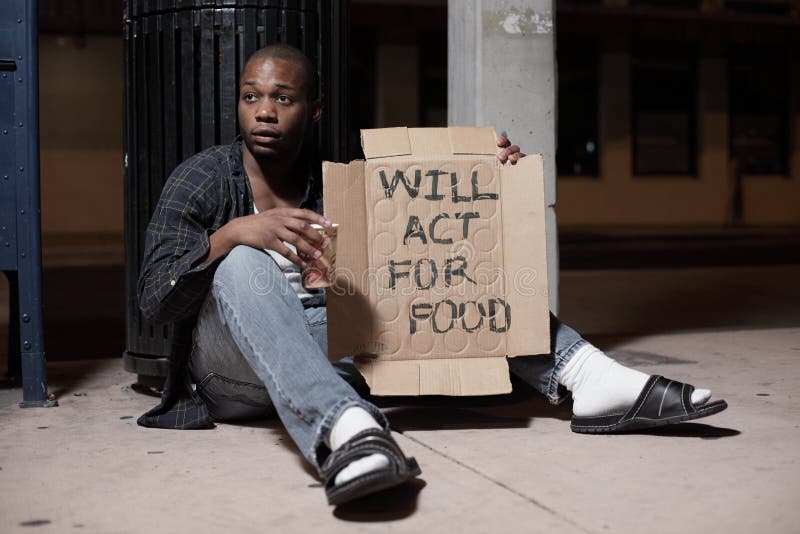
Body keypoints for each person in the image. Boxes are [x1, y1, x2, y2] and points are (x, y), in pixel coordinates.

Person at [136, 43, 727, 506]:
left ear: (313, 109)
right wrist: (234, 233)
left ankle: (592, 380)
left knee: (441, 276)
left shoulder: (339, 175)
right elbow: (153, 302)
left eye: (283, 98)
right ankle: (345, 431)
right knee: (242, 261)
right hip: (229, 372)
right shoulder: (204, 180)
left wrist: (484, 176)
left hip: (325, 348)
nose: (263, 111)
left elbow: (418, 239)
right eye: (251, 96)